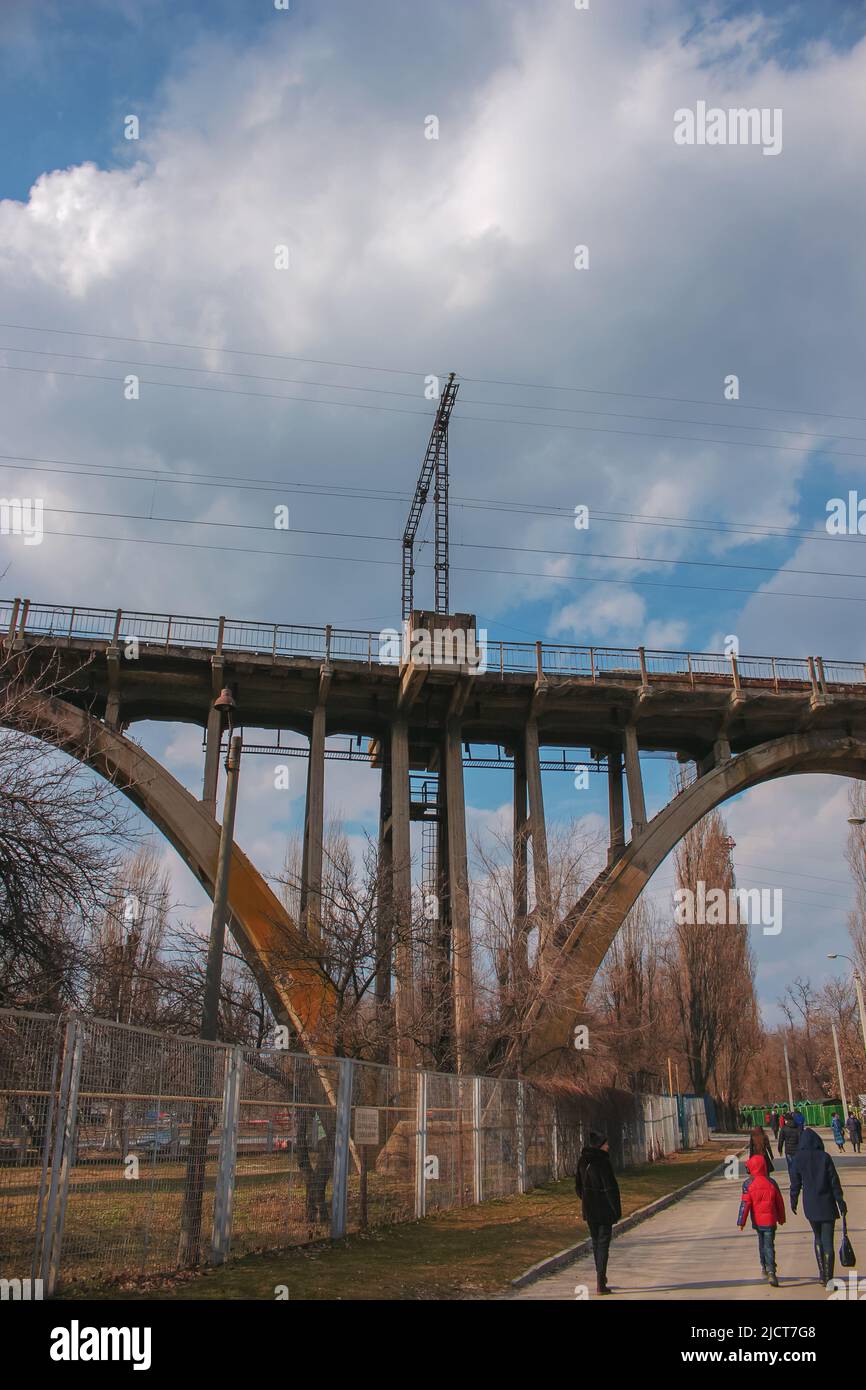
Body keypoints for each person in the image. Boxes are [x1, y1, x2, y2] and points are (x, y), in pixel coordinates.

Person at [789, 1127, 847, 1286]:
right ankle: (829, 1277)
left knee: (818, 1237)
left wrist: (793, 1200)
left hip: (810, 1204)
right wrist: (840, 1201)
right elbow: (834, 1181)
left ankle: (822, 1274)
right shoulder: (825, 1157)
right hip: (827, 1203)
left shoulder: (798, 1158)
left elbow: (795, 1184)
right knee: (828, 1241)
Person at [575, 1130, 622, 1296]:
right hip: (604, 1210)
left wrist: (587, 1199)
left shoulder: (583, 1161)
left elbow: (578, 1188)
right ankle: (601, 1282)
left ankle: (600, 1277)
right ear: (600, 1146)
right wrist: (616, 1210)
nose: (608, 1147)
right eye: (606, 1144)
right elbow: (611, 1189)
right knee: (603, 1244)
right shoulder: (603, 1162)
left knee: (596, 1243)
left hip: (589, 1209)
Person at [737, 1152, 786, 1287]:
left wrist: (741, 1221)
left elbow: (745, 1204)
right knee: (769, 1245)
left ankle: (764, 1266)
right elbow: (779, 1202)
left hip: (758, 1222)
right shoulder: (771, 1182)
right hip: (771, 1221)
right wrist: (781, 1217)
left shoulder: (748, 1184)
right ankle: (772, 1270)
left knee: (762, 1243)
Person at [777, 1111, 800, 1181]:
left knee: (790, 1166)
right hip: (798, 1150)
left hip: (788, 1151)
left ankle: (793, 1181)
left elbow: (781, 1140)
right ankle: (799, 1179)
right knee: (798, 1166)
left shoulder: (784, 1128)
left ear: (786, 1120)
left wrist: (779, 1150)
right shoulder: (798, 1127)